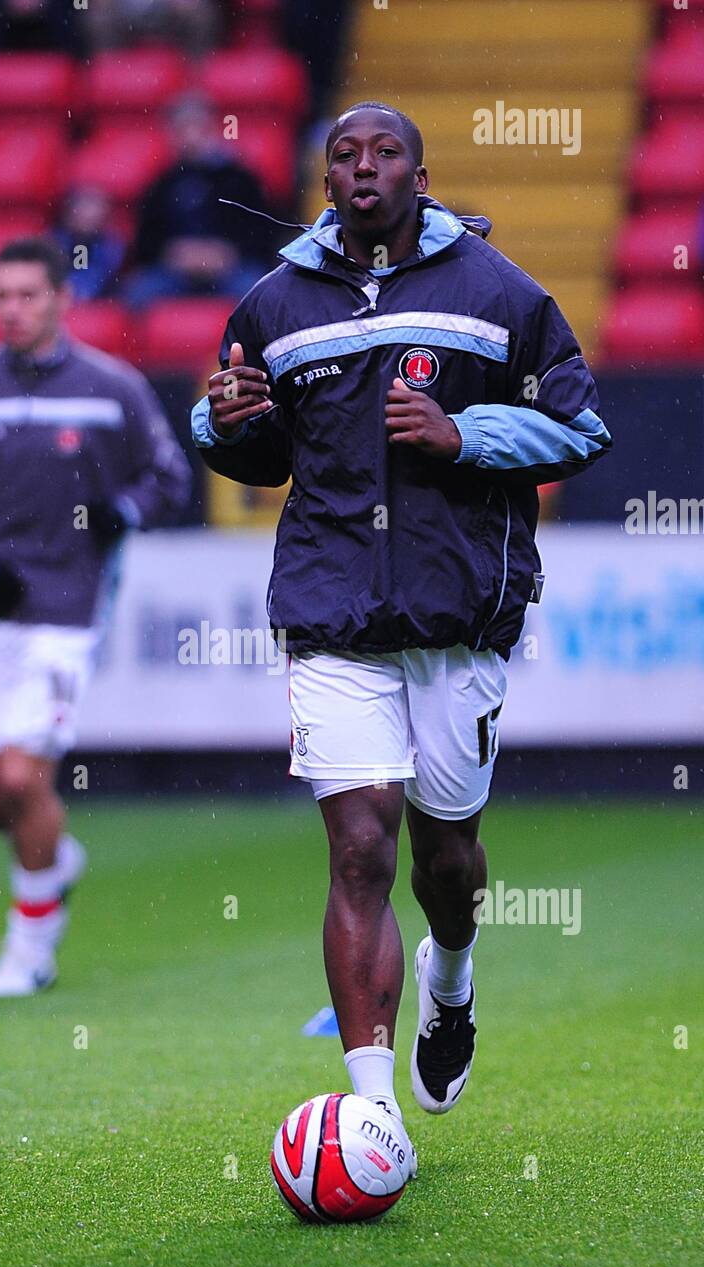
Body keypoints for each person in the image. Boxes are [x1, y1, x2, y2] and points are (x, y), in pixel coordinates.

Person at [192, 102, 611, 1179]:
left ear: (420, 175)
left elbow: (577, 423)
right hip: (331, 610)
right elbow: (252, 446)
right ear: (322, 178)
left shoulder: (495, 292)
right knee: (359, 844)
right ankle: (371, 1109)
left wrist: (462, 431)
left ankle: (453, 976)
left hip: (456, 610)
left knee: (444, 854)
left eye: (384, 153)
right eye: (343, 155)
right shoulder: (274, 302)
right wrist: (224, 420)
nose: (363, 167)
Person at [0, 236, 191, 998]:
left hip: (67, 612)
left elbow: (168, 476)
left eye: (28, 295)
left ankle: (28, 951)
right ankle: (55, 858)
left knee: (19, 774)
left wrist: (121, 511)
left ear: (61, 301)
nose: (14, 309)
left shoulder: (111, 387)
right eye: (1, 296)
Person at [125, 93, 277, 311]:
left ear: (211, 128)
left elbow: (262, 233)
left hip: (232, 271)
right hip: (174, 273)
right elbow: (145, 240)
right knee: (137, 293)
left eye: (196, 127)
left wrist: (227, 253)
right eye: (181, 129)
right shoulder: (162, 182)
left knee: (262, 294)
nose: (189, 136)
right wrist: (172, 253)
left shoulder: (240, 178)